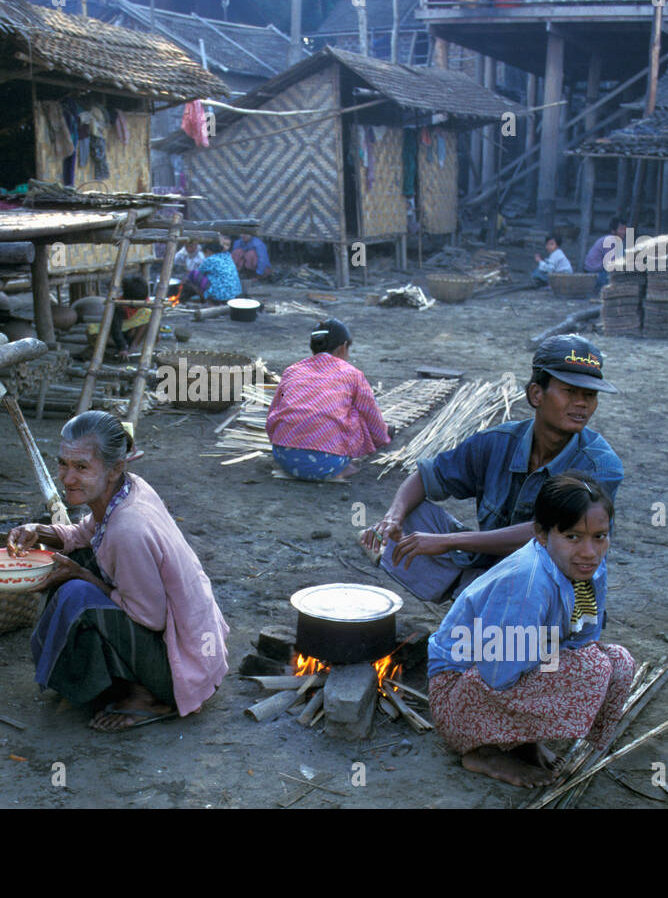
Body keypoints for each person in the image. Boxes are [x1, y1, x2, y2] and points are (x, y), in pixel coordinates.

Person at [360, 334, 623, 603]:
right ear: (536, 394)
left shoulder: (600, 465)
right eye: (569, 391)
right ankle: (472, 592)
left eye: (589, 395)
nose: (582, 404)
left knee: (537, 566)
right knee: (414, 514)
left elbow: (547, 534)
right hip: (494, 562)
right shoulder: (497, 442)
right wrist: (393, 516)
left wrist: (452, 540)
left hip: (553, 581)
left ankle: (485, 600)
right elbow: (426, 477)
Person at [11, 411, 230, 731]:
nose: (67, 478)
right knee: (77, 563)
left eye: (81, 467)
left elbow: (151, 617)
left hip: (181, 669)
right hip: (191, 646)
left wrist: (81, 578)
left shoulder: (127, 528)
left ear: (115, 468)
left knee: (77, 590)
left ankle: (151, 697)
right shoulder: (127, 490)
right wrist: (39, 531)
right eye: (63, 464)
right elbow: (83, 535)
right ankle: (115, 680)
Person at [426, 471, 635, 788]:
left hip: (505, 671)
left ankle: (521, 739)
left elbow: (584, 639)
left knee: (617, 662)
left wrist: (554, 658)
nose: (589, 551)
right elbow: (497, 672)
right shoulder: (528, 581)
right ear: (541, 533)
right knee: (592, 668)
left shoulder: (590, 567)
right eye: (573, 536)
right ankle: (482, 750)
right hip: (458, 697)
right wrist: (553, 660)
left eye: (600, 536)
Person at [266, 318, 391, 482]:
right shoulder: (352, 374)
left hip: (285, 458)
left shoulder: (292, 371)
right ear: (343, 347)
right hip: (328, 464)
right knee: (358, 412)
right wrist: (383, 438)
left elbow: (274, 410)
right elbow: (371, 414)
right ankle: (340, 468)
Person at [175, 235, 241, 304]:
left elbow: (196, 273)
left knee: (193, 274)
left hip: (220, 295)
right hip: (234, 293)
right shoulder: (227, 256)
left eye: (205, 254)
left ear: (208, 251)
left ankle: (207, 299)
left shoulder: (210, 260)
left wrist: (185, 281)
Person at [584, 219, 628, 290]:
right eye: (621, 229)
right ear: (613, 231)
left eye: (625, 229)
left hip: (602, 269)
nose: (624, 232)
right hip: (595, 272)